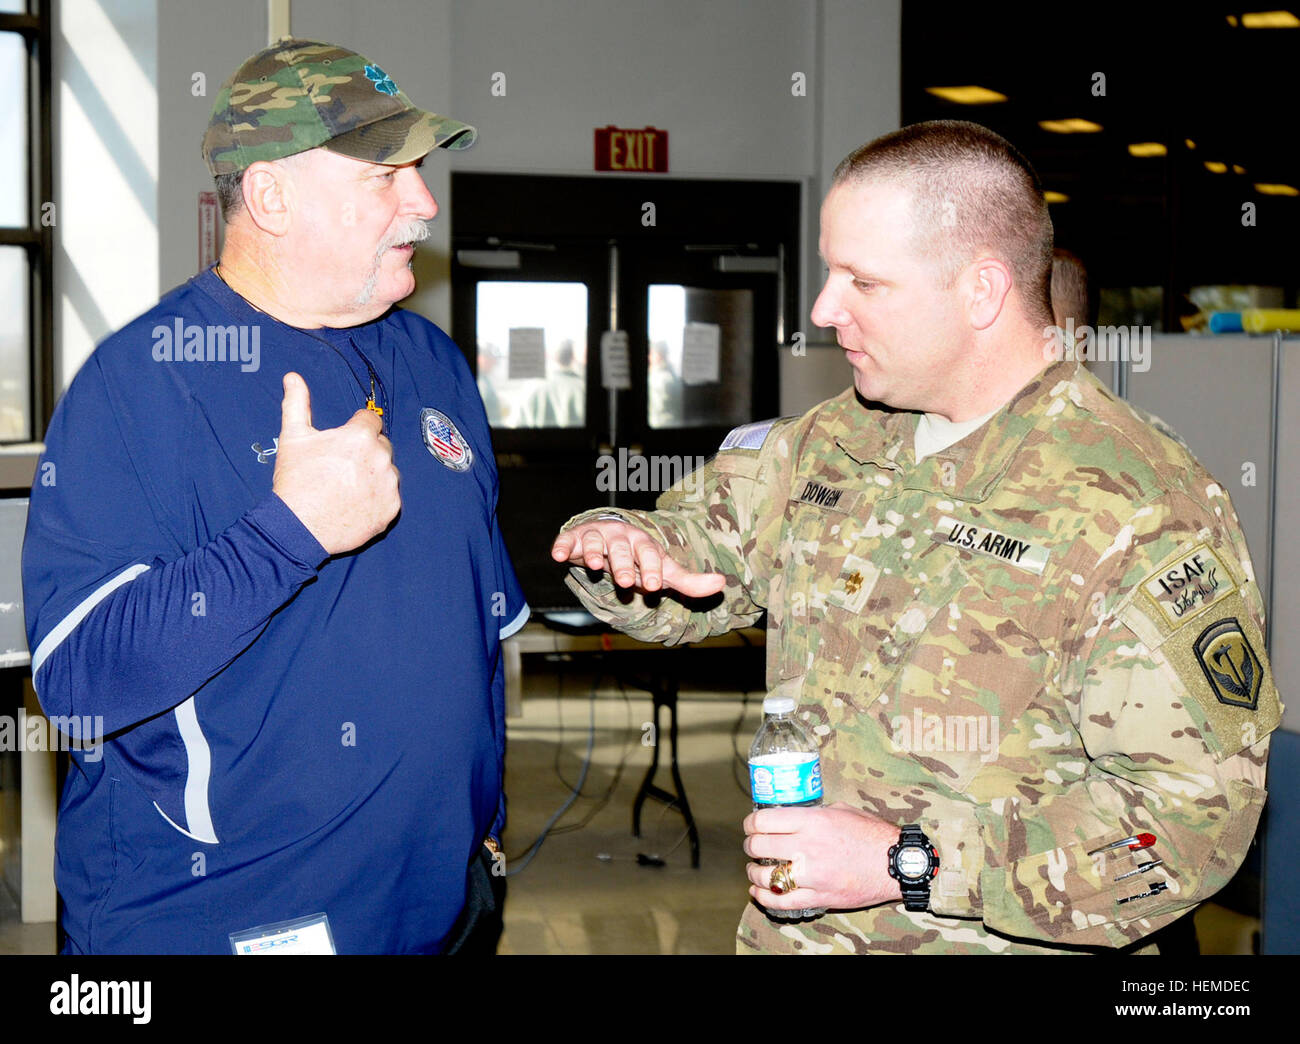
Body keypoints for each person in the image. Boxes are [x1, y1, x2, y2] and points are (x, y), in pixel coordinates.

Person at [551, 120, 1280, 954]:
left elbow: (1190, 828)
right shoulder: (836, 440)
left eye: (864, 281)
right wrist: (628, 545)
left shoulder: (1136, 505)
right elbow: (700, 545)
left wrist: (912, 862)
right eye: (831, 273)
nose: (825, 310)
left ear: (980, 291)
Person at [22, 39, 527, 954]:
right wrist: (287, 534)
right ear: (270, 197)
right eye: (387, 173)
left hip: (441, 912)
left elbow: (477, 637)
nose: (424, 202)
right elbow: (77, 681)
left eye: (422, 170)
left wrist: (485, 830)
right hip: (222, 923)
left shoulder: (434, 366)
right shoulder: (140, 382)